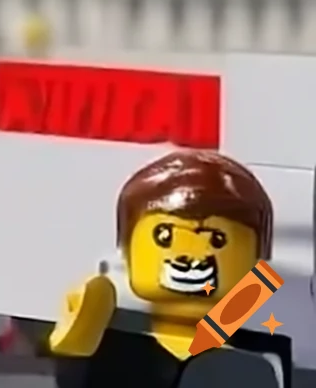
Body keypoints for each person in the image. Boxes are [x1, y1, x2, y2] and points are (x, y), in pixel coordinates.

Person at [49, 149, 290, 388]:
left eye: (216, 239)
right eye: (164, 236)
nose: (191, 256)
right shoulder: (119, 349)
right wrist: (77, 347)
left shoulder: (251, 365)